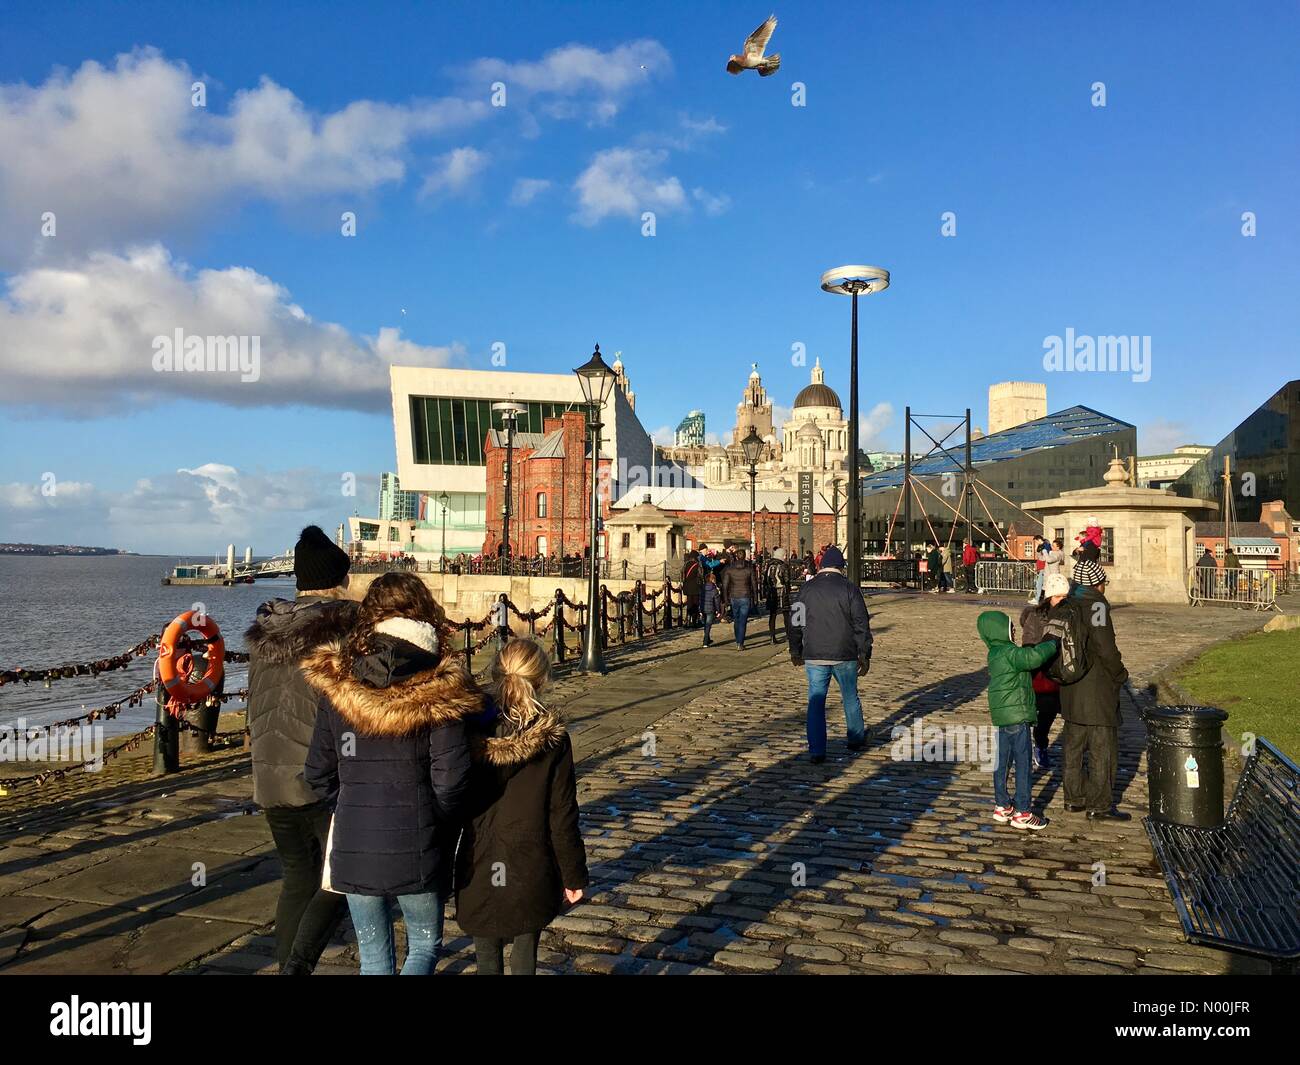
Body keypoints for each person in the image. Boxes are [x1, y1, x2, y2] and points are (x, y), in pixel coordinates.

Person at [302, 572, 481, 974]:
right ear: (424, 613)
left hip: (353, 841)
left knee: (373, 958)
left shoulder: (340, 683)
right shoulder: (442, 682)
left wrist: (350, 804)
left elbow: (317, 772)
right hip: (418, 841)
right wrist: (432, 815)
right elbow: (451, 779)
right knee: (422, 946)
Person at [245, 525, 357, 975]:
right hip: (320, 778)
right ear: (336, 581)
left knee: (297, 878)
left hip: (269, 779)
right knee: (344, 876)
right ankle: (298, 965)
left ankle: (286, 964)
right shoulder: (339, 633)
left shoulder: (265, 635)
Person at [455, 639, 588, 975]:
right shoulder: (553, 740)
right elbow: (562, 815)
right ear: (541, 679)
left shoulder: (466, 730)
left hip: (479, 855)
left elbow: (448, 797)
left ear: (497, 672)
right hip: (531, 858)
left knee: (486, 954)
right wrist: (573, 874)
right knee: (526, 950)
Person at [1052, 559, 1129, 820]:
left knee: (1073, 747)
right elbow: (1105, 647)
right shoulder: (1096, 604)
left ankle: (1073, 798)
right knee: (1102, 749)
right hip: (1096, 689)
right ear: (1097, 583)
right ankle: (1099, 805)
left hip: (1070, 685)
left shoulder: (1066, 601)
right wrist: (1119, 674)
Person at [788, 546, 872, 764]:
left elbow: (795, 622)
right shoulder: (850, 589)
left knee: (816, 701)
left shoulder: (806, 589)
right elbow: (861, 623)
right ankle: (855, 738)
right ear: (841, 567)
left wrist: (795, 650)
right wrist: (864, 652)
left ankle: (817, 749)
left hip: (814, 652)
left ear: (822, 565)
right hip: (845, 652)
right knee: (850, 696)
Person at [977, 609, 1057, 830]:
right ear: (999, 631)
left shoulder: (994, 653)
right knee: (1023, 764)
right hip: (1017, 715)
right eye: (1010, 626)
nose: (1013, 630)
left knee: (1002, 761)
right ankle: (1023, 811)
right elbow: (1033, 658)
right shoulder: (1010, 653)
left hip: (1003, 717)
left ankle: (1002, 805)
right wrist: (1052, 643)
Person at [1020, 573, 1071, 769]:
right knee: (1035, 713)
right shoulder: (1035, 615)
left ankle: (1041, 743)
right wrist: (1044, 651)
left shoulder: (1071, 614)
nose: (1062, 602)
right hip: (1041, 673)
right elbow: (1029, 643)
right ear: (1049, 597)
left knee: (1049, 715)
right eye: (1058, 597)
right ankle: (1031, 747)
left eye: (1065, 598)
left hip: (1062, 673)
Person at [720, 547, 758, 650]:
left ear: (736, 557)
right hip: (745, 596)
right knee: (743, 620)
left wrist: (725, 598)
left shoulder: (730, 569)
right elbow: (754, 584)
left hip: (734, 596)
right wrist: (755, 598)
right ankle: (740, 642)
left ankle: (738, 640)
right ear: (744, 557)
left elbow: (725, 585)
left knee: (736, 619)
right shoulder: (749, 569)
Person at [700, 570, 722, 647]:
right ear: (712, 580)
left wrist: (700, 609)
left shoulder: (702, 588)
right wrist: (718, 611)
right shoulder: (714, 589)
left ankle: (708, 639)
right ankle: (705, 641)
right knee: (708, 625)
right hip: (711, 609)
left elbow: (700, 599)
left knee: (706, 624)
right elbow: (717, 601)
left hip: (703, 608)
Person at [682, 549, 703, 626]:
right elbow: (700, 576)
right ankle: (694, 622)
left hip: (687, 587)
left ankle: (688, 621)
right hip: (695, 587)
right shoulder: (697, 565)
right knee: (695, 604)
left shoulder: (685, 564)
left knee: (689, 604)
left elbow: (682, 576)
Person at [1029, 535, 1049, 604]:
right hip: (1041, 567)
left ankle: (1038, 599)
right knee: (1040, 584)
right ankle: (1038, 598)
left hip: (1044, 567)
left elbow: (1043, 557)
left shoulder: (1045, 546)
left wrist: (1037, 550)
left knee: (1039, 584)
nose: (1036, 543)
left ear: (1038, 539)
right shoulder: (1045, 545)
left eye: (1036, 541)